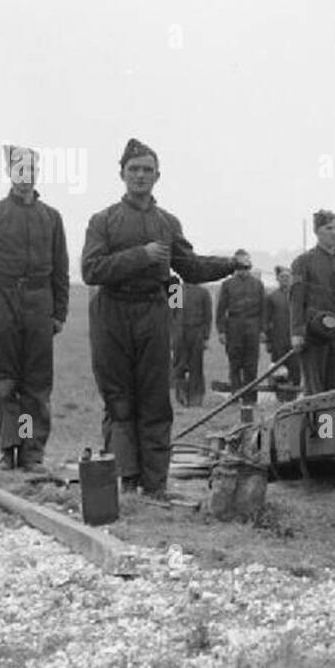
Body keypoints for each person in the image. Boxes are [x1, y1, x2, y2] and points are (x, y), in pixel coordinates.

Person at [81, 138, 246, 497]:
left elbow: (191, 267)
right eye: (133, 169)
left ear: (158, 176)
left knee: (155, 400)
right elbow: (91, 270)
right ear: (121, 174)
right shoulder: (103, 221)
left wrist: (231, 264)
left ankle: (154, 485)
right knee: (120, 400)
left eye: (147, 170)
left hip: (153, 314)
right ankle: (126, 479)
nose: (140, 176)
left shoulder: (167, 224)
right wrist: (141, 255)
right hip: (111, 315)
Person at [0, 145, 69, 471]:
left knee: (36, 386)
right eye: (18, 170)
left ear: (37, 173)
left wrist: (58, 313)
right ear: (10, 173)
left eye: (30, 170)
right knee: (7, 383)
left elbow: (61, 270)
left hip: (40, 305)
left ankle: (31, 452)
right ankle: (8, 450)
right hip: (3, 301)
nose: (25, 178)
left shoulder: (52, 218)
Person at [290, 209, 335, 393]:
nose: (334, 232)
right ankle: (316, 423)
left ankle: (330, 423)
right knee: (316, 390)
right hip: (314, 333)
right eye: (328, 228)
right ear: (317, 231)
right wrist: (297, 332)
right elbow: (296, 298)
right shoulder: (303, 262)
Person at [216, 249, 266, 404]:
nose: (243, 269)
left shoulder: (258, 284)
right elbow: (221, 309)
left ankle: (250, 399)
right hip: (234, 326)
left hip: (252, 326)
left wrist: (263, 330)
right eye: (240, 265)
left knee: (251, 364)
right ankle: (235, 396)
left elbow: (263, 309)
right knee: (235, 362)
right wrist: (221, 331)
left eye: (246, 265)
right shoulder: (227, 285)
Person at [170, 274, 213, 407]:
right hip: (180, 333)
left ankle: (196, 397)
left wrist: (205, 337)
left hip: (197, 332)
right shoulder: (176, 290)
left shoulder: (203, 293)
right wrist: (172, 336)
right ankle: (181, 396)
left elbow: (207, 317)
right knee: (179, 366)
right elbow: (171, 315)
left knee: (196, 366)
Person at [266, 264, 300, 388]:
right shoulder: (272, 297)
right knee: (278, 368)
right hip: (278, 339)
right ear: (277, 279)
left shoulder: (298, 296)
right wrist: (268, 340)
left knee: (295, 366)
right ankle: (279, 393)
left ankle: (295, 392)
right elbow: (267, 320)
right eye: (282, 277)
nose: (285, 279)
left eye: (287, 276)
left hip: (294, 337)